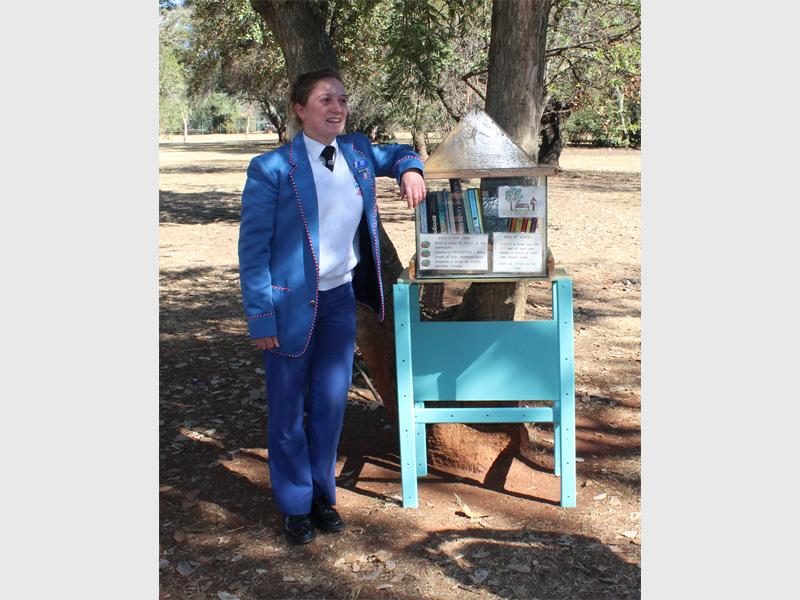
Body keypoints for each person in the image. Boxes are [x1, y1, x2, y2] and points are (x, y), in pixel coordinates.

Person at [238, 68, 426, 545]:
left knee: (328, 406)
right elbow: (253, 249)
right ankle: (294, 505)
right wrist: (260, 315)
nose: (337, 107)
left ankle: (322, 495)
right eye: (325, 100)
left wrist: (409, 168)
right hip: (288, 307)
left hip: (341, 302)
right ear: (301, 110)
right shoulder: (272, 168)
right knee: (287, 411)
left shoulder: (359, 152)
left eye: (341, 99)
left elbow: (400, 152)